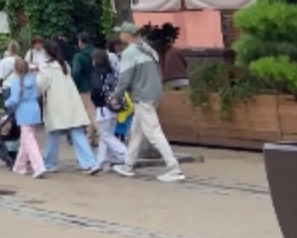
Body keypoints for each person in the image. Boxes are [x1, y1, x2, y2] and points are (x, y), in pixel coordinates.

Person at [110, 22, 185, 182]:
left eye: (121, 33)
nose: (119, 36)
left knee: (153, 132)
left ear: (127, 35)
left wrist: (116, 96)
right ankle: (128, 165)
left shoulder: (129, 53)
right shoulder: (148, 49)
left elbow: (124, 79)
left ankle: (174, 168)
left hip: (142, 96)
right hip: (153, 94)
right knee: (136, 132)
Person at [35, 39, 99, 174]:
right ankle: (89, 163)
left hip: (56, 106)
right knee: (77, 133)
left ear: (46, 52)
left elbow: (39, 87)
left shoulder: (46, 69)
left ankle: (49, 163)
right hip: (71, 104)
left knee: (53, 134)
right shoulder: (64, 66)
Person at [4, 58, 46, 179]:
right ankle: (20, 165)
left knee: (29, 140)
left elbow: (14, 99)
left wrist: (6, 103)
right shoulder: (32, 79)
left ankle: (39, 166)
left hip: (23, 111)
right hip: (34, 109)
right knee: (26, 138)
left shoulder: (16, 81)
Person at [89, 49, 129, 170]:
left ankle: (125, 153)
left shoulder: (96, 74)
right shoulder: (111, 72)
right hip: (114, 106)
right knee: (106, 134)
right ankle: (100, 161)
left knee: (105, 135)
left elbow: (96, 90)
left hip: (102, 107)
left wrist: (95, 100)